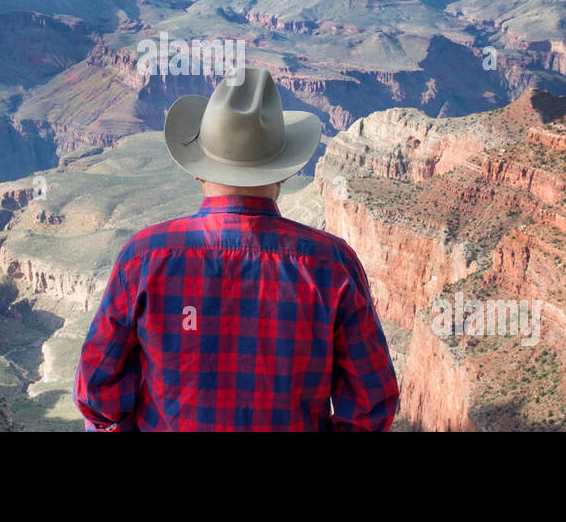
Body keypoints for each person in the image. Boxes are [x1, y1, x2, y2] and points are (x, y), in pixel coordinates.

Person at [73, 66, 400, 431]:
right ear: (284, 171)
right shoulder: (333, 265)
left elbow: (98, 393)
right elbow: (371, 405)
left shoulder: (143, 258)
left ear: (197, 168)